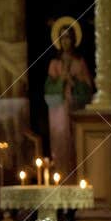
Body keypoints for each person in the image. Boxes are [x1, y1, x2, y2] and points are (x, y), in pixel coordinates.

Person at [43, 22, 93, 176]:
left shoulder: (80, 62)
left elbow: (88, 88)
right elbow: (48, 89)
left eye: (68, 37)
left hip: (76, 107)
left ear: (73, 40)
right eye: (62, 38)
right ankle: (61, 173)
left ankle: (80, 175)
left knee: (76, 140)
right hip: (58, 109)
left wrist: (74, 82)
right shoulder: (54, 64)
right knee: (60, 139)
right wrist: (61, 80)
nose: (65, 41)